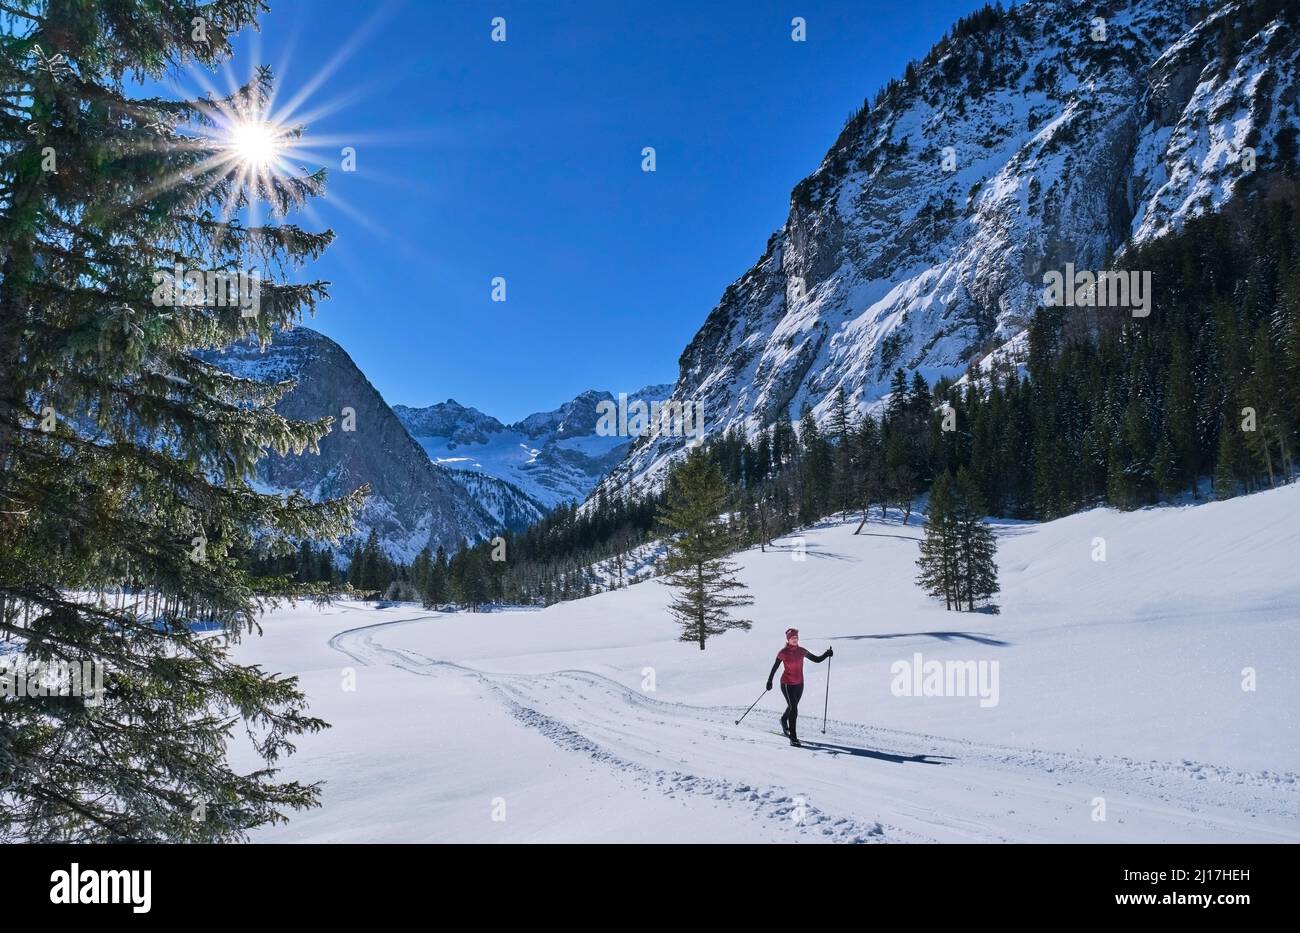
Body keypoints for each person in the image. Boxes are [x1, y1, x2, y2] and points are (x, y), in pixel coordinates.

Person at [765, 628, 832, 747]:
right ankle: (793, 737)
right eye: (792, 638)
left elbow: (816, 659)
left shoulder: (802, 651)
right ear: (788, 640)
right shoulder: (783, 652)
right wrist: (770, 680)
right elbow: (775, 667)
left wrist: (827, 654)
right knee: (794, 708)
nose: (794, 640)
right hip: (786, 683)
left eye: (796, 638)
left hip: (799, 683)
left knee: (792, 706)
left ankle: (783, 719)